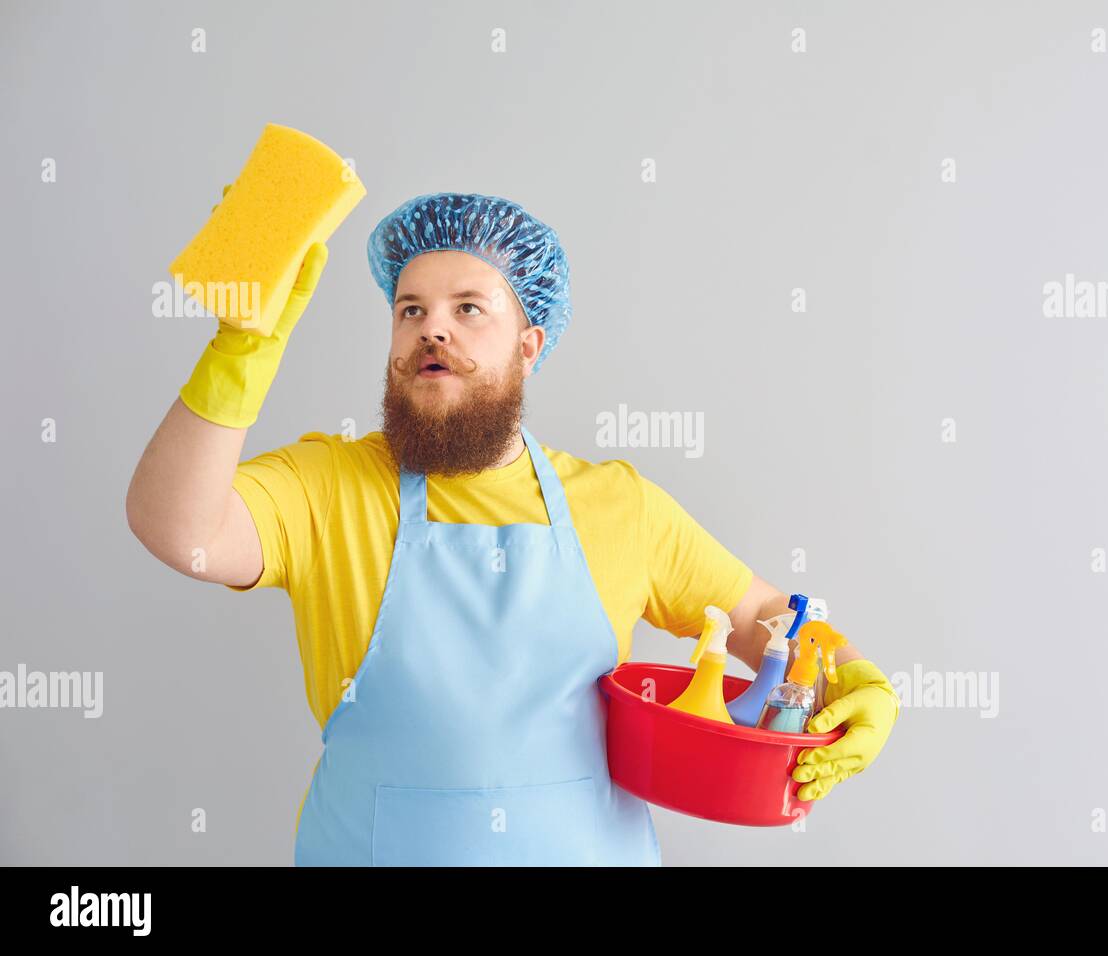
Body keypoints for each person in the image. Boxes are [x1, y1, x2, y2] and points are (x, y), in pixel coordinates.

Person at [126, 192, 900, 866]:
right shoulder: (329, 486)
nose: (434, 330)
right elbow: (178, 528)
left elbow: (768, 625)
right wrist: (242, 350)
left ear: (529, 347)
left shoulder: (618, 506)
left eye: (469, 308)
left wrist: (855, 678)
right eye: (411, 310)